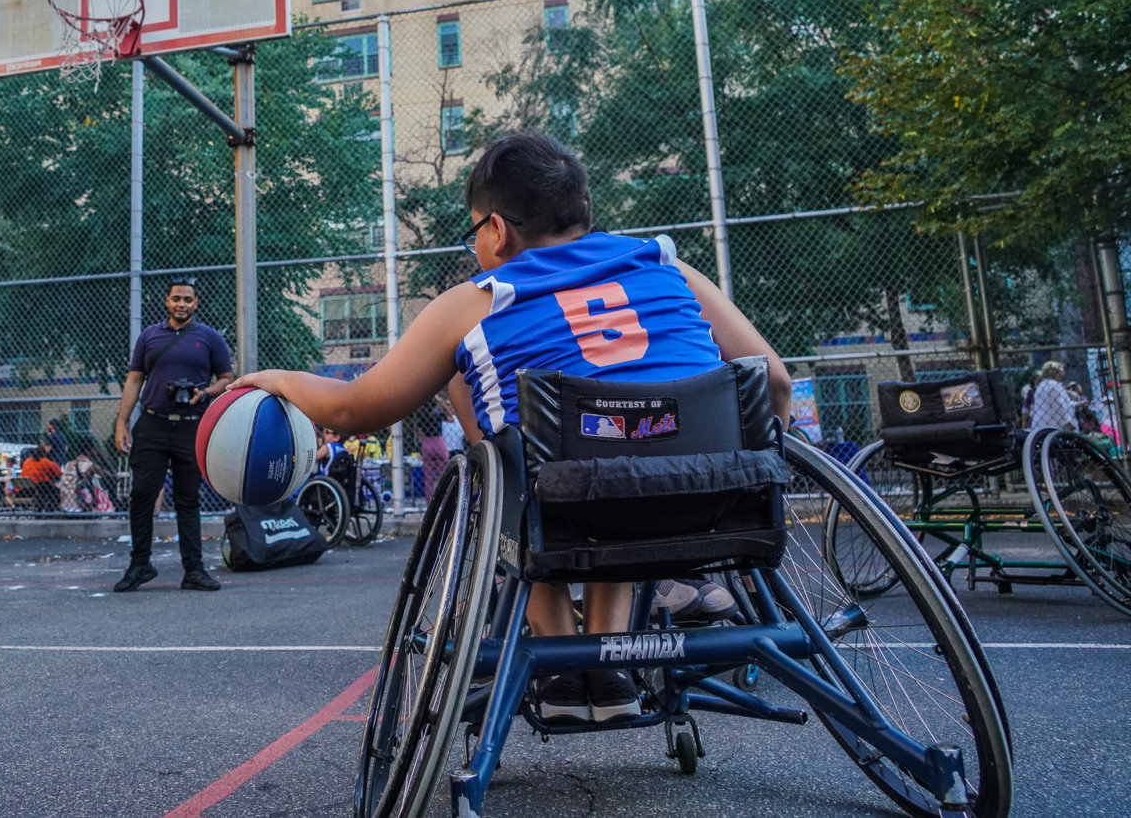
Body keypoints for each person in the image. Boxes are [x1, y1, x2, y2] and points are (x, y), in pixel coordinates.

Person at [232, 131, 789, 724]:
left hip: (565, 512)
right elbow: (775, 381)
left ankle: (558, 661)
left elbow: (355, 410)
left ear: (496, 231)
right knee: (621, 451)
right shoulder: (666, 264)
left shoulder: (478, 299)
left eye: (473, 230)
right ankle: (606, 663)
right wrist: (752, 472)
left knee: (529, 467)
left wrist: (275, 379)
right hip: (707, 501)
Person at [112, 276, 235, 592]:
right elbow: (134, 380)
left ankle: (193, 570)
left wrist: (204, 392)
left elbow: (227, 379)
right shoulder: (150, 336)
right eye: (176, 298)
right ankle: (140, 565)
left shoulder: (210, 338)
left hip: (192, 425)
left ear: (196, 304)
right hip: (152, 423)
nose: (181, 304)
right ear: (167, 301)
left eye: (188, 299)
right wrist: (122, 422)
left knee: (187, 500)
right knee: (141, 496)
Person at [1030, 360, 1076, 432]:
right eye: (1061, 371)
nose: (1063, 374)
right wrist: (1068, 422)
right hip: (1052, 424)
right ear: (1055, 373)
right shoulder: (1054, 385)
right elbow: (1059, 405)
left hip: (1039, 424)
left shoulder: (1041, 385)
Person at [19, 444, 63, 512]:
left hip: (25, 488)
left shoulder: (27, 462)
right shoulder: (46, 462)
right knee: (55, 491)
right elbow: (59, 473)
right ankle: (51, 508)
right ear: (44, 453)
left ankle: (39, 508)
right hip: (41, 487)